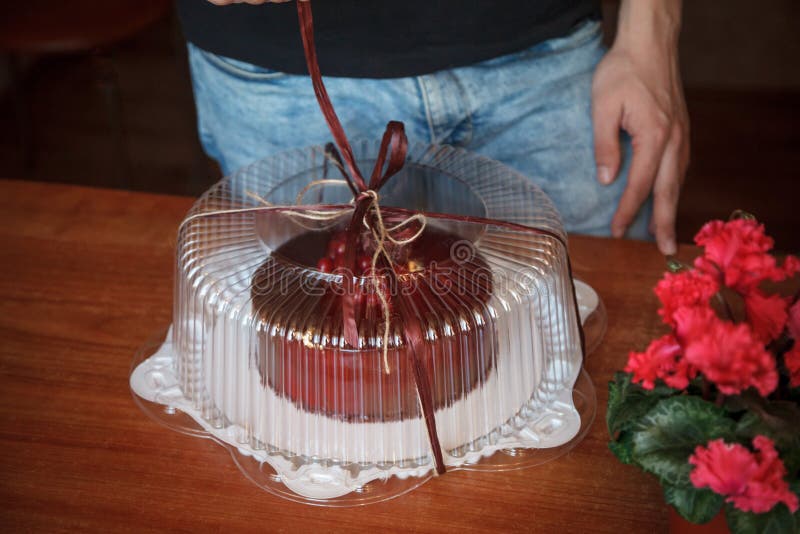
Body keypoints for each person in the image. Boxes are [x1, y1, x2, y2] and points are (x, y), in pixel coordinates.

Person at [177, 0, 688, 255]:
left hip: (550, 63)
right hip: (279, 77)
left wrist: (652, 30)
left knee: (593, 346)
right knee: (322, 368)